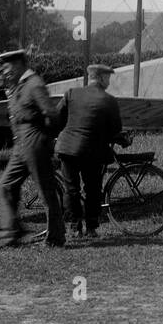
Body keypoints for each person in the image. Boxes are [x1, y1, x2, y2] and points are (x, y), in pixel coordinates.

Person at [0, 49, 65, 248]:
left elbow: (52, 114)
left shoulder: (34, 84)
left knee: (46, 192)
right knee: (6, 187)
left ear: (17, 64)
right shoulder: (19, 86)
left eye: (6, 68)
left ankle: (56, 238)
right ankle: (11, 232)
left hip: (34, 143)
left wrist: (46, 139)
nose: (4, 72)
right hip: (21, 145)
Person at [55, 64, 126, 239]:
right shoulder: (109, 100)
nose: (109, 81)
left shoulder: (71, 93)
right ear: (101, 78)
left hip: (68, 149)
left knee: (71, 190)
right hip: (92, 152)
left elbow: (57, 118)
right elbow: (115, 128)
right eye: (108, 77)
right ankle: (92, 228)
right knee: (93, 189)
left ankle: (74, 227)